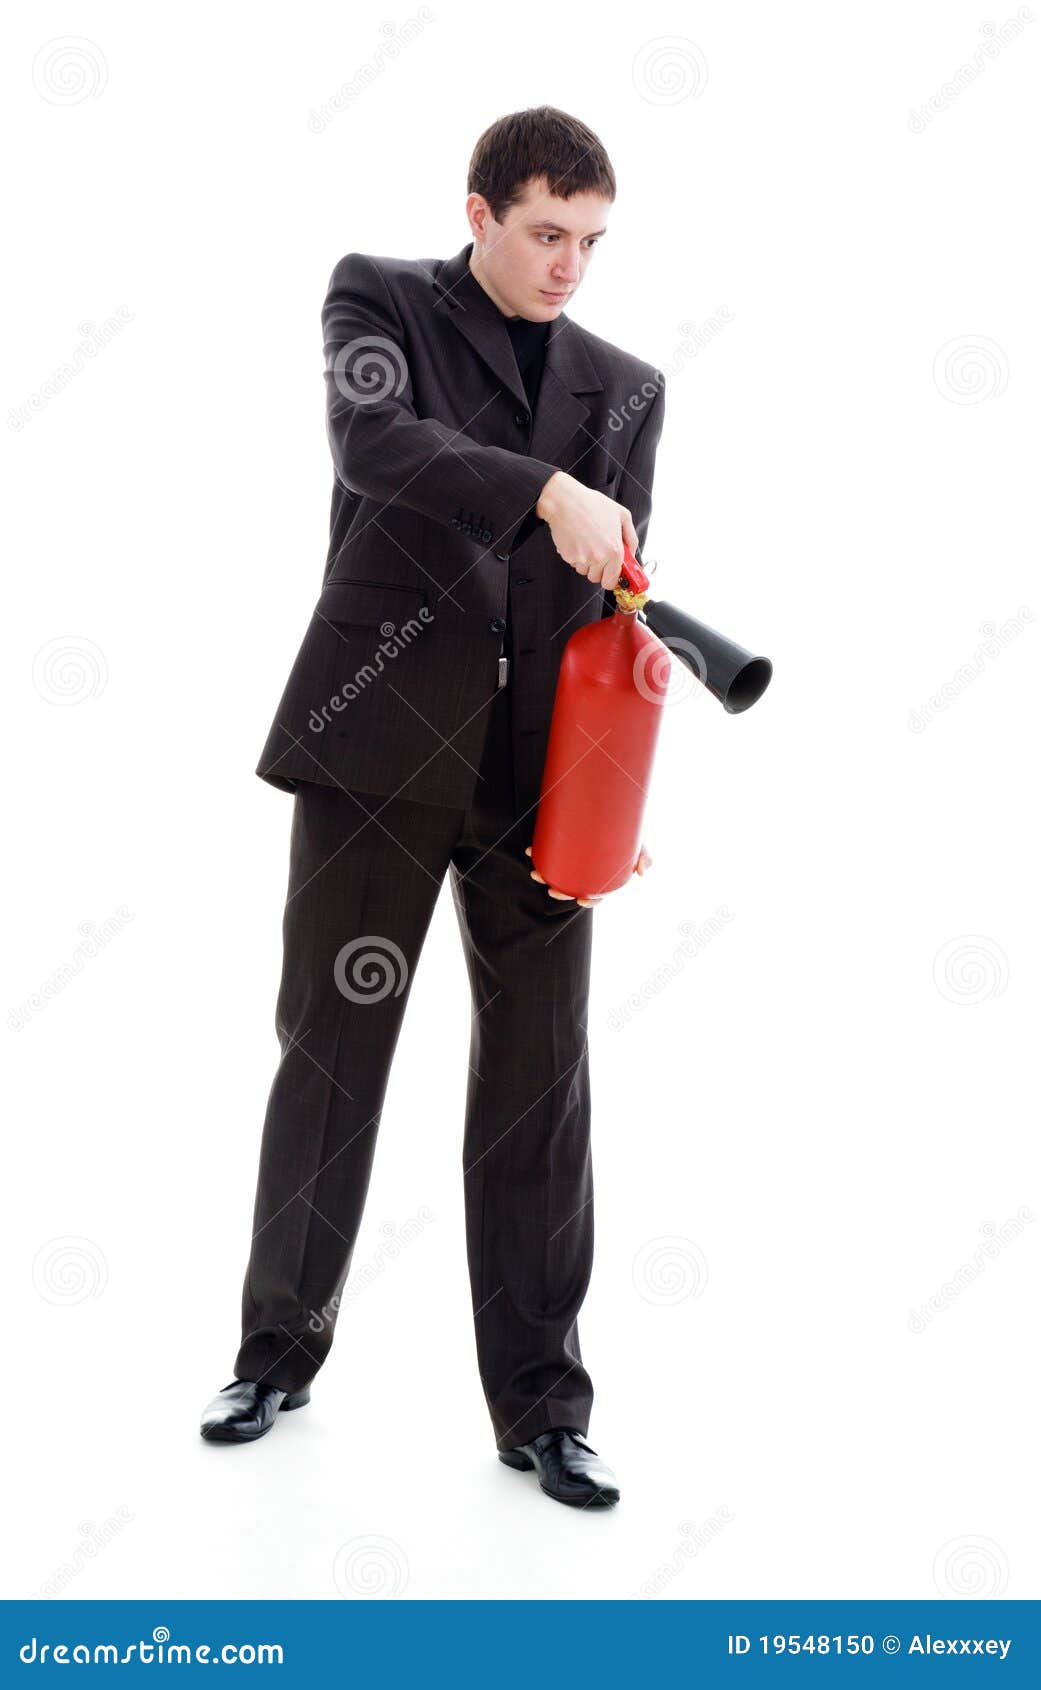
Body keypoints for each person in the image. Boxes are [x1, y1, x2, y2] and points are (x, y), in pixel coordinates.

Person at [199, 105, 665, 1509]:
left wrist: (607, 792)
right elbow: (375, 449)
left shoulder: (627, 385)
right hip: (378, 744)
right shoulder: (378, 297)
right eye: (543, 234)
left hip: (538, 779)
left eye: (589, 240)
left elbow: (612, 619)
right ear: (478, 212)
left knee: (543, 1083)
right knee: (333, 1050)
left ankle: (543, 1405)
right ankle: (274, 1350)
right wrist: (543, 491)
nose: (568, 264)